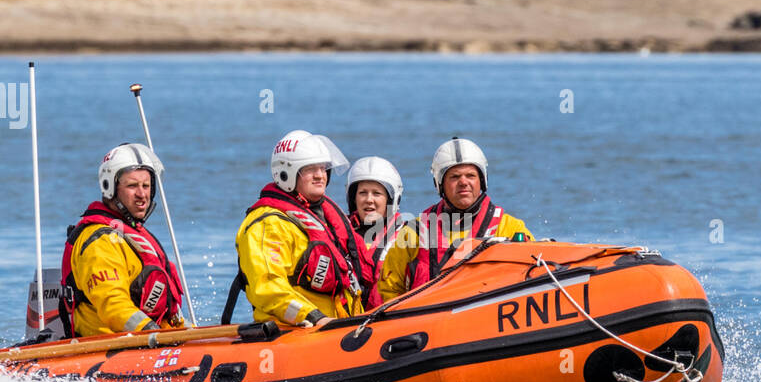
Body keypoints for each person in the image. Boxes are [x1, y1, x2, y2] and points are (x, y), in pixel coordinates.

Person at [223, 130, 369, 328]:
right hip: (296, 332)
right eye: (310, 169)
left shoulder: (328, 217)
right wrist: (313, 317)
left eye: (323, 168)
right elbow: (267, 287)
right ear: (286, 173)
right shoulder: (269, 224)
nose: (320, 175)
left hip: (342, 327)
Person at [378, 137, 532, 300]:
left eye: (470, 175)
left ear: (482, 180)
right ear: (440, 183)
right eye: (455, 177)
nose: (463, 182)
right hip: (427, 320)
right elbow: (388, 290)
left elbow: (533, 274)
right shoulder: (413, 232)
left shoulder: (509, 227)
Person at [59, 143, 187, 337]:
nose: (142, 195)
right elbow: (114, 306)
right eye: (132, 186)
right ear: (110, 188)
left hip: (147, 340)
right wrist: (151, 331)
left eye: (146, 186)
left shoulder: (131, 236)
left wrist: (187, 332)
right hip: (108, 344)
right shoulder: (99, 242)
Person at [345, 156, 406, 309]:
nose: (369, 200)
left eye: (376, 193)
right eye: (363, 193)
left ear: (391, 199)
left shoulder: (407, 236)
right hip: (344, 323)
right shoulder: (338, 234)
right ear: (353, 198)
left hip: (389, 320)